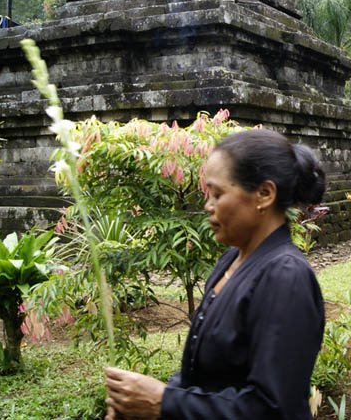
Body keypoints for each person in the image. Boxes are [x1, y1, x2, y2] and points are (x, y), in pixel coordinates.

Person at [104, 129, 327, 419]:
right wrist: (138, 402)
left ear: (264, 194)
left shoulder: (285, 276)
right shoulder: (231, 261)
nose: (208, 206)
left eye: (218, 194)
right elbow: (208, 379)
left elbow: (272, 408)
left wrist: (163, 402)